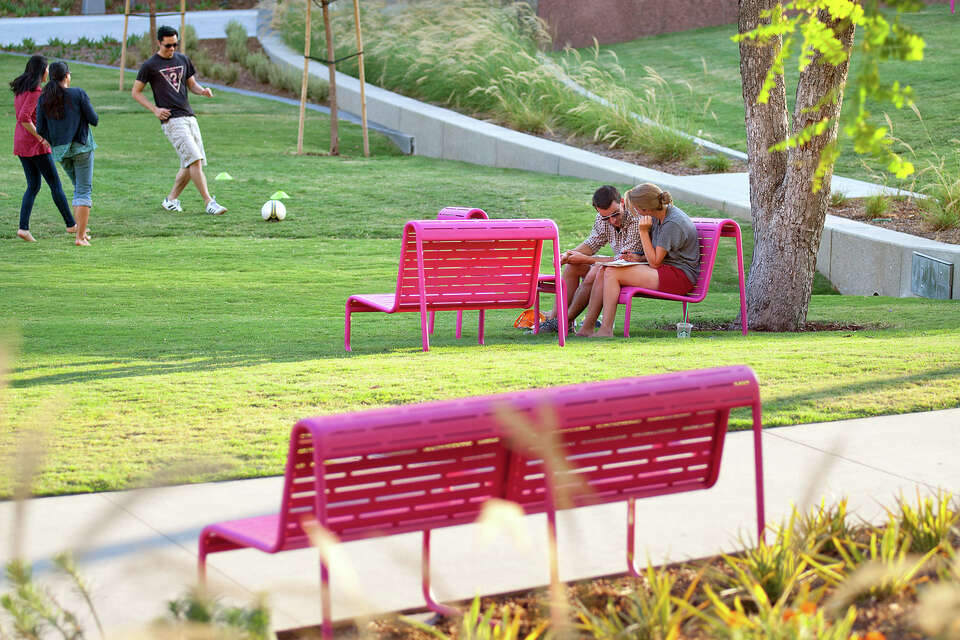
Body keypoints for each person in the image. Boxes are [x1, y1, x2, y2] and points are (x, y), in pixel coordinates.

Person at [576, 183, 700, 338]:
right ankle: (586, 328)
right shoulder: (657, 216)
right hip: (664, 269)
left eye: (635, 208)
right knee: (603, 269)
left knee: (612, 272)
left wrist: (643, 231)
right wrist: (639, 258)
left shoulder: (672, 223)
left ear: (645, 209)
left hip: (680, 277)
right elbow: (658, 256)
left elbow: (655, 262)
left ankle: (606, 330)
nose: (634, 212)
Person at [131, 25, 227, 216]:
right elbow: (136, 92)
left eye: (175, 44)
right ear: (159, 43)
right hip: (172, 121)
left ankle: (171, 200)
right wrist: (155, 109)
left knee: (189, 163)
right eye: (168, 45)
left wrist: (203, 91)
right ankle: (209, 202)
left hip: (189, 117)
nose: (172, 48)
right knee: (195, 160)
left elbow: (192, 85)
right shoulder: (150, 65)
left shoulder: (183, 60)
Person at [538, 185, 644, 332]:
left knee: (595, 270)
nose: (612, 221)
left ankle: (563, 322)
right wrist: (568, 255)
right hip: (617, 268)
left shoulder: (635, 218)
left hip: (638, 268)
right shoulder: (602, 218)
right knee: (572, 265)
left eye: (615, 214)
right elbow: (592, 243)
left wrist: (586, 259)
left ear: (621, 202)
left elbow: (625, 259)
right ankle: (555, 319)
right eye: (606, 217)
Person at [10, 54, 78, 242]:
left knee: (33, 186)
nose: (48, 71)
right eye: (47, 68)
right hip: (35, 145)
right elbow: (24, 118)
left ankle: (23, 228)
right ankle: (71, 225)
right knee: (55, 185)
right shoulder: (35, 91)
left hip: (21, 143)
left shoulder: (21, 89)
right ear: (42, 71)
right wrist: (41, 137)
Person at [35, 61, 97, 247]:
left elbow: (40, 129)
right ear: (67, 75)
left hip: (61, 152)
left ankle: (81, 233)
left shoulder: (44, 98)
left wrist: (52, 139)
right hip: (82, 147)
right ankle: (80, 237)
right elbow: (94, 119)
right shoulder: (78, 94)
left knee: (78, 188)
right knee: (83, 190)